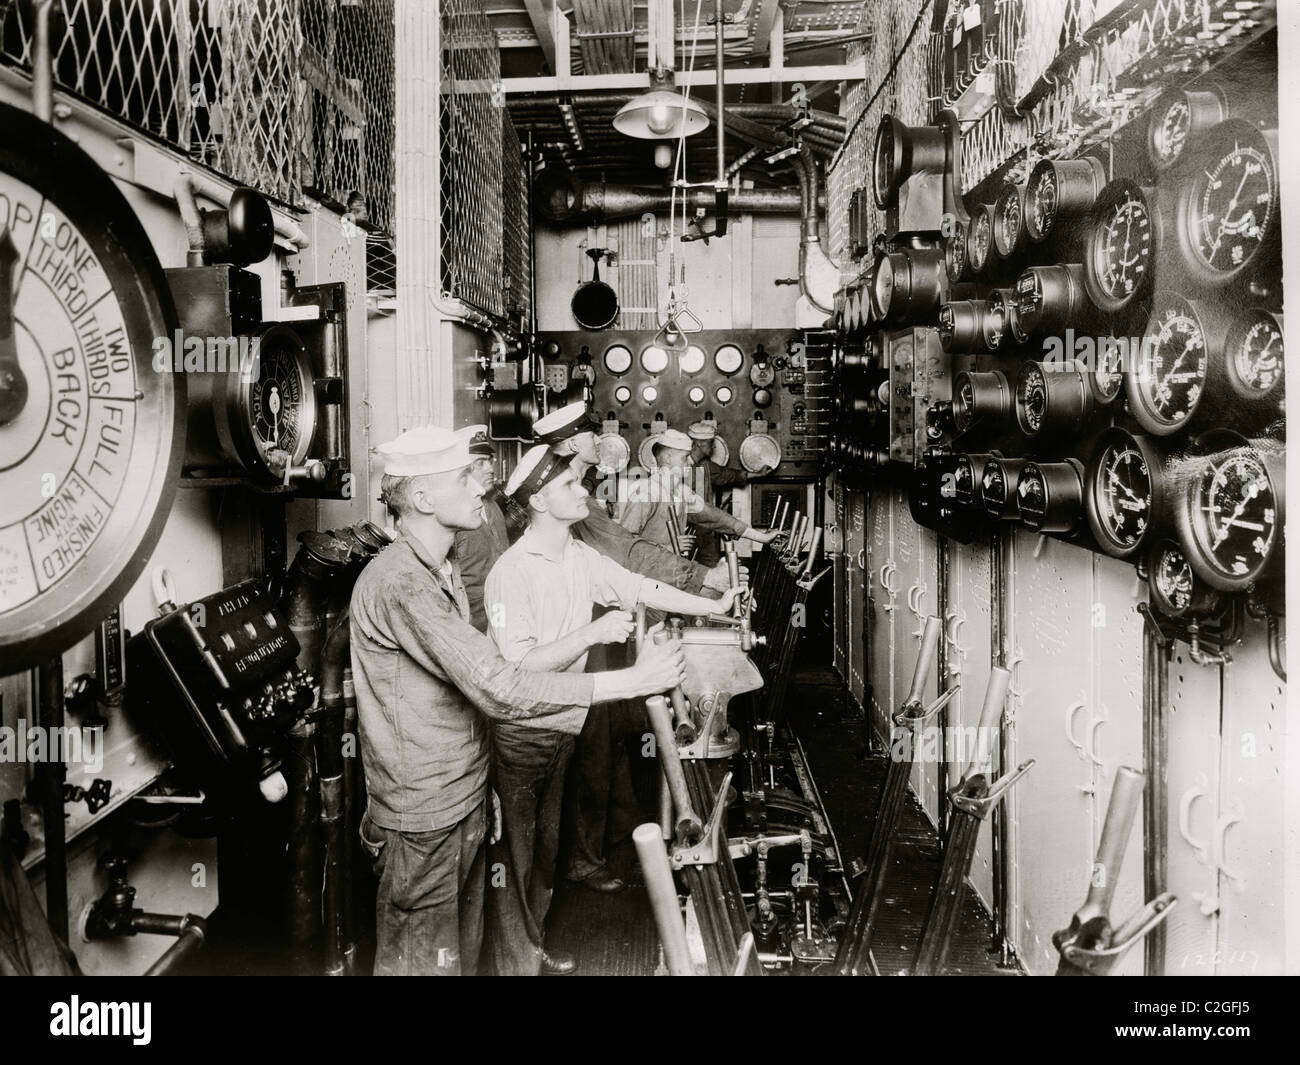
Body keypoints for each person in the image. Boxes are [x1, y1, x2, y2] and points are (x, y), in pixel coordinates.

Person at [349, 425, 686, 975]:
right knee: (424, 965)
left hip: (461, 798)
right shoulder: (400, 583)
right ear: (423, 499)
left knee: (462, 951)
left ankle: (522, 958)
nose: (483, 486)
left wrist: (486, 783)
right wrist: (628, 681)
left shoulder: (443, 570)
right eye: (465, 477)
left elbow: (471, 688)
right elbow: (497, 683)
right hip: (423, 817)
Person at [483, 445, 738, 976]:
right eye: (571, 487)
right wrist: (592, 632)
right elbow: (519, 665)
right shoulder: (511, 573)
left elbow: (639, 585)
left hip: (563, 724)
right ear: (538, 502)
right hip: (524, 733)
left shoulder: (577, 555)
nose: (584, 491)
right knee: (516, 858)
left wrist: (711, 605)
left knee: (546, 853)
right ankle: (515, 962)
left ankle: (531, 948)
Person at [529, 402, 748, 893]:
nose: (602, 440)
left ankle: (622, 834)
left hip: (598, 636)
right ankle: (581, 861)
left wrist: (707, 599)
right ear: (570, 447)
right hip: (574, 652)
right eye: (590, 434)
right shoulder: (575, 506)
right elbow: (629, 554)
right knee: (591, 750)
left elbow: (631, 574)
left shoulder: (582, 499)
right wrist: (702, 581)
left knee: (614, 734)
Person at [617, 429, 779, 552]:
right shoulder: (646, 493)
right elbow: (624, 542)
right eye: (684, 457)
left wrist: (762, 538)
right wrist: (668, 546)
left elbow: (719, 518)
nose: (689, 462)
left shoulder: (681, 493)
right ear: (667, 459)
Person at [686, 418, 771, 566]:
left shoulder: (705, 465)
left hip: (706, 531)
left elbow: (728, 475)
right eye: (710, 443)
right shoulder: (680, 467)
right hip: (686, 533)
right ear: (698, 443)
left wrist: (759, 474)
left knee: (713, 567)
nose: (713, 447)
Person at [452, 428, 510, 633]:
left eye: (490, 461)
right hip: (469, 620)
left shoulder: (491, 504)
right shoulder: (452, 514)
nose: (490, 468)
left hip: (500, 609)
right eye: (480, 463)